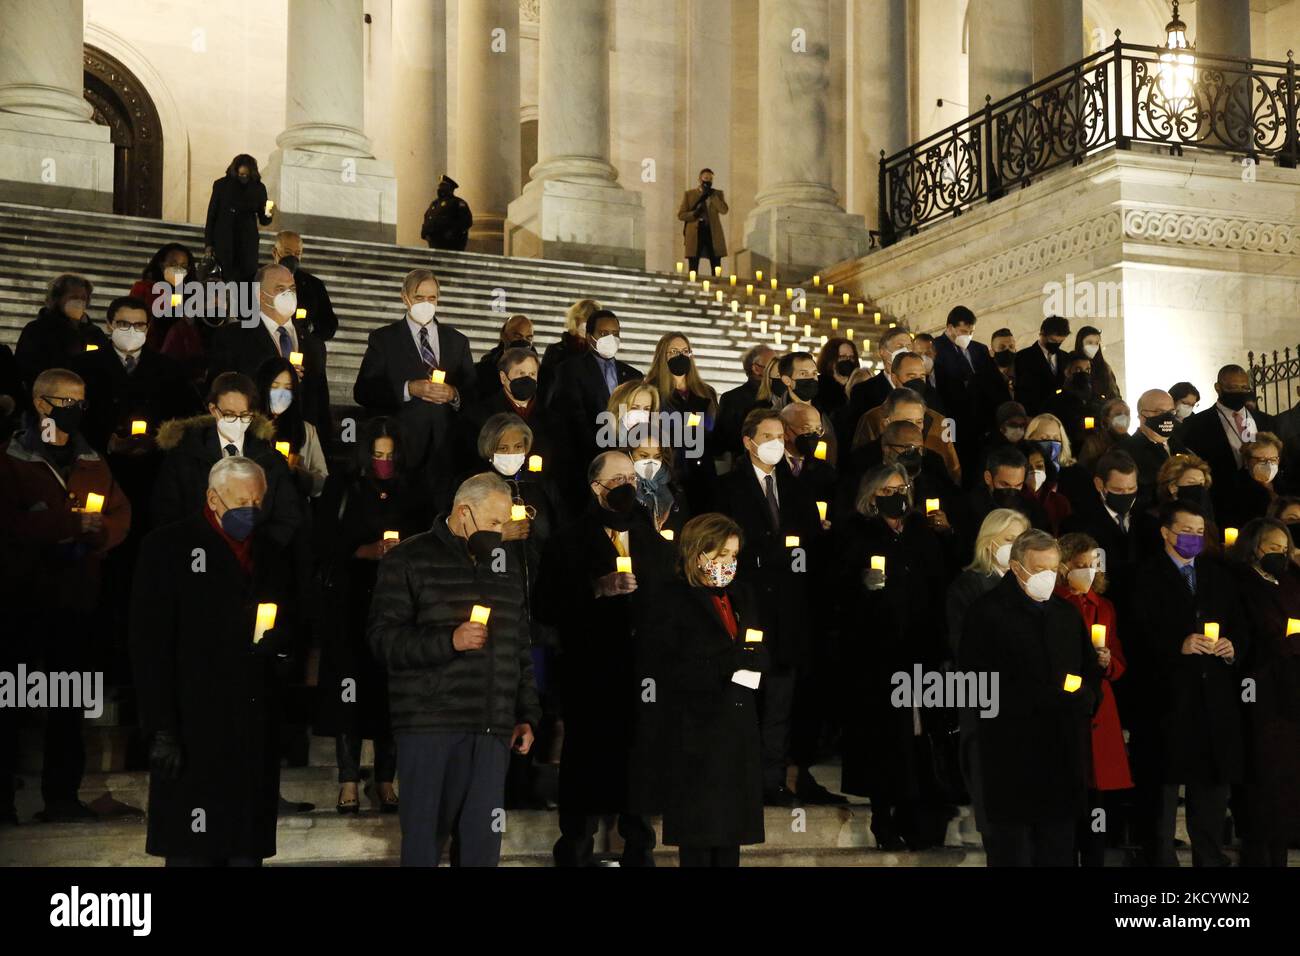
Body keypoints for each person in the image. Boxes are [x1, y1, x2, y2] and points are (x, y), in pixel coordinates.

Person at [367, 472, 539, 866]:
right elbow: (383, 639)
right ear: (464, 513)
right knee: (424, 846)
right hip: (430, 726)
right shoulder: (408, 558)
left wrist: (526, 713)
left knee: (481, 849)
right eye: (495, 523)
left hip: (492, 727)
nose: (502, 532)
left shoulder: (506, 565)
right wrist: (449, 641)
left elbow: (519, 645)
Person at [130, 456, 294, 865]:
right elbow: (149, 644)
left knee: (244, 846)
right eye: (241, 502)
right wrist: (161, 728)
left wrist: (278, 646)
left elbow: (294, 621)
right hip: (192, 724)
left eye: (258, 502)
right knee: (193, 849)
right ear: (212, 498)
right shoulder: (167, 547)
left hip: (252, 721)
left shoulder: (272, 553)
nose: (251, 512)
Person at [0, 368, 131, 823]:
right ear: (40, 404)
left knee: (68, 704)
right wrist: (67, 527)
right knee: (11, 704)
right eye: (66, 401)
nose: (75, 410)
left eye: (81, 402)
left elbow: (119, 513)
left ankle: (62, 797)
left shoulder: (93, 460)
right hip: (22, 602)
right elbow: (10, 523)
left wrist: (99, 535)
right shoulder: (11, 461)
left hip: (78, 601)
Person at [533, 451, 672, 866]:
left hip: (641, 668)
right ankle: (576, 843)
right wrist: (596, 588)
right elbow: (544, 605)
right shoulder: (568, 539)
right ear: (597, 488)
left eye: (632, 476)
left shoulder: (651, 536)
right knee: (584, 758)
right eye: (618, 478)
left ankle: (639, 845)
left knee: (639, 756)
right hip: (590, 669)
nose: (628, 484)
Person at [959, 529, 1101, 866]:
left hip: (1062, 753)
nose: (1047, 578)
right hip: (1011, 755)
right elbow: (974, 680)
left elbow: (1088, 668)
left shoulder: (1065, 614)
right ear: (1017, 567)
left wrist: (1085, 697)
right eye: (1039, 570)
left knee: (1058, 851)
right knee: (1015, 853)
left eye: (1053, 570)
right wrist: (1035, 698)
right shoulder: (987, 613)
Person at [835, 463, 954, 849]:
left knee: (917, 737)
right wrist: (863, 587)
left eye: (903, 486)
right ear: (872, 494)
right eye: (888, 488)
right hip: (875, 657)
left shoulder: (922, 533)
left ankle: (916, 814)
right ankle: (882, 814)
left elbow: (938, 587)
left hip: (919, 651)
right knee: (883, 740)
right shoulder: (854, 533)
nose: (898, 493)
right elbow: (834, 592)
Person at [314, 419, 424, 815]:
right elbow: (324, 542)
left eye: (390, 455)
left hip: (396, 605)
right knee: (349, 692)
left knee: (388, 693)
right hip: (349, 604)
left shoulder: (411, 491)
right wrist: (362, 552)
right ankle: (347, 779)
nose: (384, 462)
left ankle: (384, 779)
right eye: (377, 455)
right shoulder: (342, 488)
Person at [1130, 499, 1248, 867]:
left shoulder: (1218, 575)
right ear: (1166, 532)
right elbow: (1134, 634)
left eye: (1199, 533)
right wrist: (1175, 645)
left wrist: (1232, 648)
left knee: (1211, 797)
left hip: (1213, 704)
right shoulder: (1143, 576)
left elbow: (1240, 626)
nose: (1194, 539)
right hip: (1167, 702)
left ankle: (1209, 861)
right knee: (1161, 798)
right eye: (1186, 531)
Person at [646, 513, 767, 866]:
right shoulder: (674, 599)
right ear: (698, 554)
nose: (728, 563)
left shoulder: (741, 596)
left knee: (730, 836)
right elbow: (667, 665)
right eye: (720, 555)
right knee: (700, 836)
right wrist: (728, 663)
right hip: (696, 735)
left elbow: (757, 644)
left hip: (737, 731)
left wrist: (757, 660)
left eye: (733, 555)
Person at [718, 409, 824, 805]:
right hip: (746, 609)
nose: (777, 442)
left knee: (780, 702)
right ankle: (739, 780)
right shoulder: (726, 488)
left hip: (788, 615)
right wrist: (766, 557)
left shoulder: (797, 490)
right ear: (748, 441)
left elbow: (812, 543)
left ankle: (772, 780)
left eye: (781, 434)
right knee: (743, 699)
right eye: (768, 435)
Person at [353, 269, 475, 511]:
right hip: (402, 453)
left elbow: (474, 392)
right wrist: (408, 388)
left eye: (432, 298)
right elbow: (364, 391)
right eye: (420, 298)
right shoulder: (384, 339)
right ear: (405, 297)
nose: (427, 304)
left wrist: (454, 394)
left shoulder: (457, 341)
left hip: (445, 454)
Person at [945, 508, 1029, 837]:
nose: (1015, 546)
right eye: (1009, 540)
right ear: (990, 542)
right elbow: (960, 644)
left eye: (1021, 540)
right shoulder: (968, 586)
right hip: (984, 698)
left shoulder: (1029, 586)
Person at [153, 372, 304, 547]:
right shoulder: (185, 456)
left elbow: (287, 516)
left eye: (244, 415)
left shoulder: (269, 459)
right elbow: (165, 514)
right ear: (213, 410)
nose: (237, 422)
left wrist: (255, 552)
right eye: (229, 415)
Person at [1054, 532, 1132, 865]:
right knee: (1070, 789)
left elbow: (1119, 662)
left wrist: (1107, 662)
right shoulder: (1056, 605)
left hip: (1101, 708)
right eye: (1079, 565)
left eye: (1091, 565)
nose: (1086, 572)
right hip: (1067, 705)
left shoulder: (1106, 607)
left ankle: (1095, 854)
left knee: (1097, 795)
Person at [1225, 518, 1300, 866]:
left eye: (1284, 549)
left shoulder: (1288, 583)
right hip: (1258, 691)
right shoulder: (1241, 583)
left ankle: (1280, 852)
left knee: (1285, 781)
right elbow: (1264, 632)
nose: (1280, 555)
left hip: (1289, 692)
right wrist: (1288, 640)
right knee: (1261, 778)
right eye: (1273, 548)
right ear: (1255, 547)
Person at [207, 263, 332, 438]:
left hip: (300, 440)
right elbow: (218, 387)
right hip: (250, 436)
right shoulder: (233, 337)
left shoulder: (314, 344)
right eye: (280, 289)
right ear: (260, 295)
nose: (288, 295)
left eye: (292, 289)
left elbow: (320, 403)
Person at [546, 308, 642, 490]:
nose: (610, 338)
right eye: (604, 333)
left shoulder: (633, 375)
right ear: (590, 337)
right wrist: (604, 453)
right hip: (585, 462)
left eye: (615, 334)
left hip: (625, 464)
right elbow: (574, 416)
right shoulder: (570, 369)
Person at [645, 332, 719, 513]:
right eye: (674, 351)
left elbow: (712, 431)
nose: (681, 356)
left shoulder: (705, 392)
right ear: (663, 356)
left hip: (701, 471)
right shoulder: (651, 391)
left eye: (686, 351)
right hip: (668, 469)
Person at [1180, 364, 1277, 497]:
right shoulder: (1195, 425)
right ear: (1218, 388)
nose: (1239, 392)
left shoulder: (1267, 421)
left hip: (1263, 497)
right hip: (1221, 500)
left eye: (1244, 387)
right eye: (1232, 387)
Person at [464, 346, 557, 480]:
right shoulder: (480, 414)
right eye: (520, 373)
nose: (527, 379)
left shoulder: (552, 418)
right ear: (503, 377)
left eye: (532, 374)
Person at [15, 274, 108, 407]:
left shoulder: (94, 333)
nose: (79, 302)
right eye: (73, 297)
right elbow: (25, 369)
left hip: (85, 405)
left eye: (83, 298)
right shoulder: (37, 330)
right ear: (57, 299)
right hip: (47, 405)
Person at [254, 356, 328, 499]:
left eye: (288, 388)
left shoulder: (306, 430)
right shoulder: (247, 426)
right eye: (274, 387)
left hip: (293, 508)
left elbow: (321, 481)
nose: (281, 394)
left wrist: (297, 473)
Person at [833, 327, 914, 449]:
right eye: (899, 346)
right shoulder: (863, 391)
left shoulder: (923, 387)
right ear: (882, 352)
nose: (905, 350)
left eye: (908, 346)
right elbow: (857, 434)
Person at [204, 154, 273, 282]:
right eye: (241, 174)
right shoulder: (221, 185)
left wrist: (269, 209)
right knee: (223, 279)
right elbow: (211, 214)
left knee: (245, 281)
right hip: (224, 240)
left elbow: (265, 220)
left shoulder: (258, 188)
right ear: (235, 170)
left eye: (246, 175)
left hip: (247, 243)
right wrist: (209, 243)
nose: (243, 177)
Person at [932, 305, 990, 448]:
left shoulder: (980, 349)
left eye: (971, 332)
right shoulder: (935, 348)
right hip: (951, 418)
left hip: (978, 419)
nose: (968, 336)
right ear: (950, 327)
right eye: (964, 331)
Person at [1117, 388, 1184, 508]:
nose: (1167, 417)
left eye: (1171, 412)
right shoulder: (1126, 451)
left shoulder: (1181, 444)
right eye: (1159, 412)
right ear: (1142, 416)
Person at [271, 231, 338, 341]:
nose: (292, 258)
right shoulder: (257, 280)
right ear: (275, 252)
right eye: (287, 253)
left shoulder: (314, 285)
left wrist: (309, 338)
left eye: (297, 254)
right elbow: (244, 317)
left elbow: (329, 324)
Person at [129, 242, 195, 351]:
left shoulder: (186, 291)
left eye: (183, 266)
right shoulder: (143, 288)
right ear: (161, 264)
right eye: (173, 264)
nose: (178, 269)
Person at [1217, 433, 1289, 531]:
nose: (1268, 464)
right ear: (1247, 462)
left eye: (1273, 459)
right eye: (1261, 460)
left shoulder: (1286, 484)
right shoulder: (1233, 488)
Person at [716, 344, 774, 460]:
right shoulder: (731, 398)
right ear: (756, 368)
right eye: (772, 364)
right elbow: (726, 440)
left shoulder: (780, 395)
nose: (777, 369)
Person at [538, 298, 599, 405]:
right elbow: (544, 389)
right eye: (585, 319)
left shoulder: (599, 354)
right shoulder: (555, 351)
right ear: (576, 320)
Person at [1013, 315, 1070, 418]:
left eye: (1060, 342)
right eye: (1052, 340)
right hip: (1035, 414)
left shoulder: (1066, 357)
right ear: (1042, 334)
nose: (1056, 344)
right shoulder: (1023, 357)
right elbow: (1021, 391)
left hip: (1061, 415)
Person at [677, 168, 729, 275]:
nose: (708, 181)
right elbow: (681, 215)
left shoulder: (717, 194)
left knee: (715, 261)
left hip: (712, 231)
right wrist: (694, 214)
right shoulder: (689, 194)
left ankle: (716, 285)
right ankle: (692, 284)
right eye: (706, 178)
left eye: (710, 179)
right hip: (696, 231)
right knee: (694, 261)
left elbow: (724, 210)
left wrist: (712, 196)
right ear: (700, 179)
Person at [474, 314, 533, 400]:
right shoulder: (484, 370)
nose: (523, 342)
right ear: (504, 336)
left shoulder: (542, 376)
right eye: (517, 336)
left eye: (528, 338)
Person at [1046, 352, 1098, 451]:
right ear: (1067, 372)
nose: (1084, 374)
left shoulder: (1095, 399)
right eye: (1078, 370)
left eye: (1087, 370)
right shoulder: (1055, 402)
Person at [420, 174, 473, 250]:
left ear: (450, 188)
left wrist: (453, 233)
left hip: (451, 243)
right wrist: (425, 233)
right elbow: (427, 217)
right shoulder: (434, 203)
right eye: (440, 186)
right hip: (434, 242)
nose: (439, 188)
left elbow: (466, 221)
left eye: (443, 186)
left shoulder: (458, 203)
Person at [814, 337, 859, 417]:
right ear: (830, 359)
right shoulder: (818, 385)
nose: (848, 360)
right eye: (843, 356)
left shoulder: (858, 386)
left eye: (851, 357)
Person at [1075, 326, 1121, 402]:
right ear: (1080, 342)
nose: (1093, 347)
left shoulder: (1104, 367)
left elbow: (1114, 393)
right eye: (1089, 343)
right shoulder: (1072, 363)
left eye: (1096, 343)